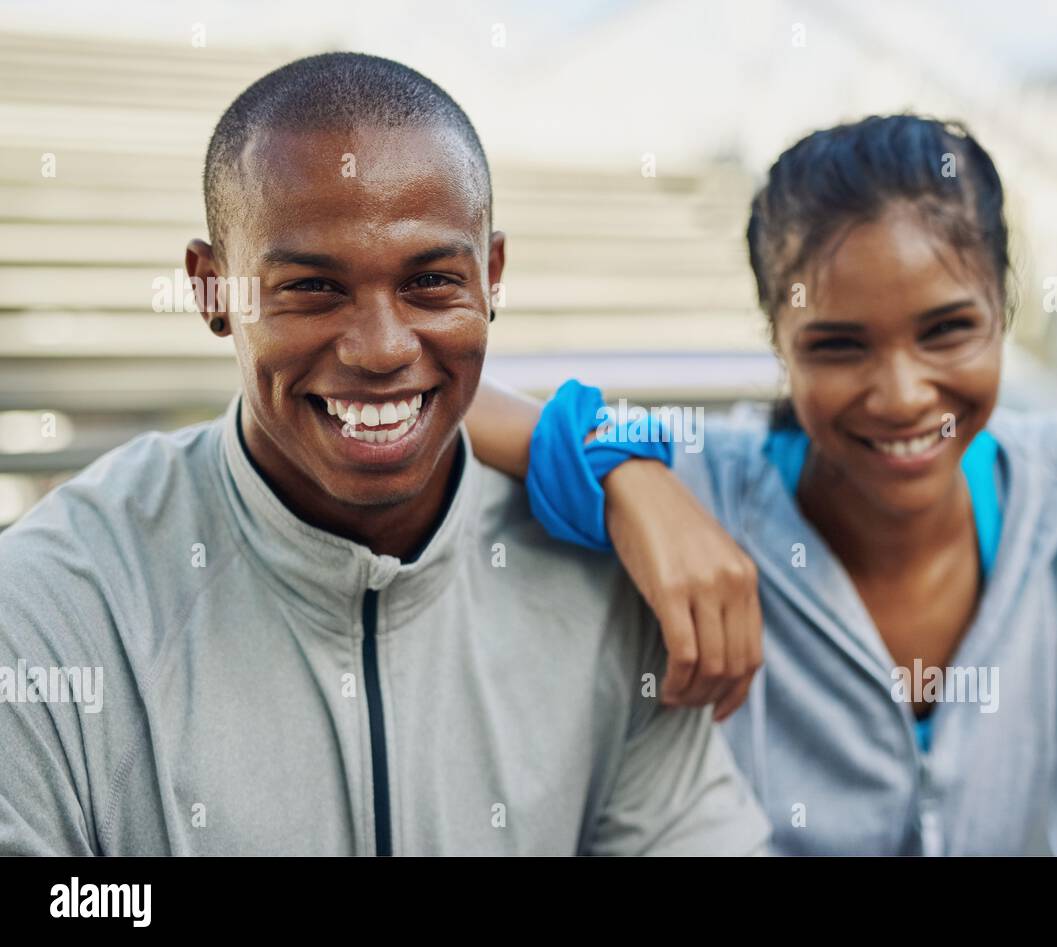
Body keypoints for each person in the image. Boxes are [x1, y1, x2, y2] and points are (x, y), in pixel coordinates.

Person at [0, 53, 770, 856]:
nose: (381, 347)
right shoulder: (47, 612)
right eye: (312, 287)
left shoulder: (607, 579)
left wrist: (622, 469)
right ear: (213, 291)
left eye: (431, 281)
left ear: (492, 277)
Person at [466, 115, 1057, 856]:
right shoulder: (706, 479)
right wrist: (632, 476)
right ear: (779, 344)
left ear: (1004, 310)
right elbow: (438, 401)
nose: (903, 394)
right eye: (838, 346)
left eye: (948, 329)